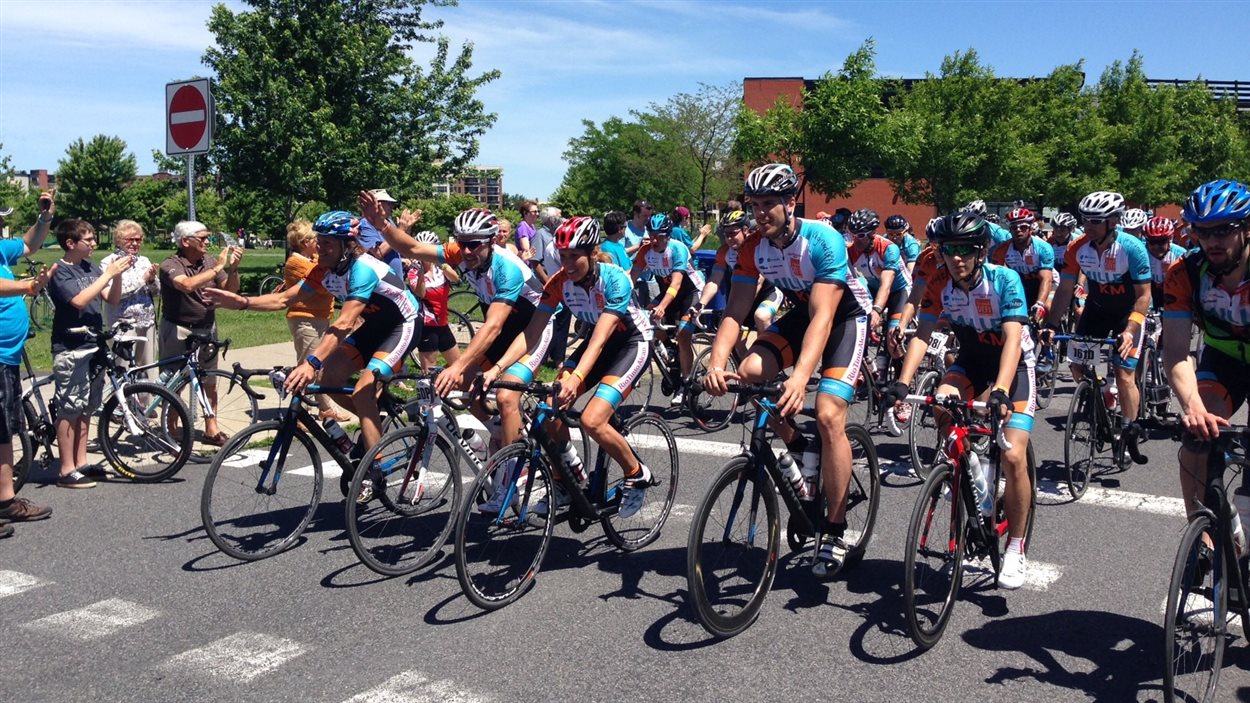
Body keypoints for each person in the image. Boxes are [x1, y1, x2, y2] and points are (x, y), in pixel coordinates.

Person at [704, 163, 873, 579]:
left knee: (830, 413)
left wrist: (800, 379)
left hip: (843, 317)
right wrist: (715, 359)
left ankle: (834, 529)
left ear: (791, 202)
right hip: (802, 312)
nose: (760, 213)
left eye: (769, 204)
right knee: (750, 369)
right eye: (754, 204)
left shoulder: (823, 239)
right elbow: (736, 308)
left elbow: (823, 317)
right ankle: (799, 443)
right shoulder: (750, 247)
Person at [358, 194, 552, 505]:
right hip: (504, 328)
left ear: (491, 241)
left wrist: (459, 364)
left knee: (505, 396)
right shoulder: (461, 253)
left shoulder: (506, 268)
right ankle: (502, 431)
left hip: (532, 330)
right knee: (459, 387)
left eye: (474, 244)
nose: (465, 250)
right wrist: (382, 223)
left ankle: (513, 477)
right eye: (462, 242)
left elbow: (492, 326)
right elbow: (412, 248)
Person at [889, 211, 1038, 590]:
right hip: (972, 359)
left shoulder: (1004, 280)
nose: (956, 258)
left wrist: (1001, 390)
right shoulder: (940, 283)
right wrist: (903, 383)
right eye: (948, 249)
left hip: (1014, 365)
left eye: (965, 249)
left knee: (1014, 454)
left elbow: (1012, 340)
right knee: (940, 402)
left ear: (981, 250)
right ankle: (970, 465)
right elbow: (922, 335)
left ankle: (1017, 547)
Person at [207, 210, 422, 464]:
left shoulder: (363, 269)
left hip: (403, 324)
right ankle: (374, 419)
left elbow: (344, 323)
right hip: (375, 327)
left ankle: (373, 469)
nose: (321, 249)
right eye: (319, 242)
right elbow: (284, 299)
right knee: (328, 377)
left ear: (347, 245)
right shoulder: (324, 270)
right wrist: (242, 302)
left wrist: (311, 361)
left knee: (363, 389)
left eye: (328, 244)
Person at [492, 216, 655, 517]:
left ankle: (636, 473)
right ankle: (567, 478)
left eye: (574, 256)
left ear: (592, 254)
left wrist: (576, 377)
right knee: (550, 408)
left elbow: (601, 337)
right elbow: (531, 333)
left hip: (631, 342)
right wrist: (497, 368)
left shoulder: (615, 279)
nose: (566, 264)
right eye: (561, 255)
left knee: (593, 420)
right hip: (599, 342)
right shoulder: (559, 284)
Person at [1161, 179, 1250, 525]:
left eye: (1223, 231)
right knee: (1197, 441)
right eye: (1202, 231)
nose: (1211, 241)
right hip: (1222, 359)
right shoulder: (1183, 273)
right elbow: (1178, 353)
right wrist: (1193, 408)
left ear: (1245, 228)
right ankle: (1207, 540)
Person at [1043, 191, 1151, 464]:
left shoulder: (1132, 248)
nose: (1087, 226)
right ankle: (1098, 395)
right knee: (1077, 366)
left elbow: (1143, 296)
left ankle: (1128, 430)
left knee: (1124, 374)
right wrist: (1052, 325)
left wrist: (1130, 331)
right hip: (1097, 310)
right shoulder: (1077, 247)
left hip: (1128, 314)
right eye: (1085, 220)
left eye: (1094, 221)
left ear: (1113, 221)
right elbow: (1066, 290)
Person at [48, 219, 132, 488]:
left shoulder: (89, 266)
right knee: (69, 407)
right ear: (70, 243)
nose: (94, 243)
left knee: (87, 407)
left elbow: (112, 298)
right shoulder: (60, 271)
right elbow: (80, 300)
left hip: (95, 343)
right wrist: (107, 275)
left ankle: (81, 462)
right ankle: (66, 469)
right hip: (71, 346)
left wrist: (116, 276)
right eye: (89, 239)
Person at [0, 190, 58, 535]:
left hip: (7, 357)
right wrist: (26, 285)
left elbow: (28, 245)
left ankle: (6, 499)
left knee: (4, 429)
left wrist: (45, 218)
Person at [159, 220, 243, 447]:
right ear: (185, 241)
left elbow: (230, 291)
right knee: (175, 380)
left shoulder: (208, 261)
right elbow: (186, 285)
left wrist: (233, 269)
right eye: (203, 238)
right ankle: (170, 425)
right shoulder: (171, 264)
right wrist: (217, 268)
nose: (208, 242)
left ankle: (211, 427)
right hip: (178, 329)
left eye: (208, 237)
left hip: (206, 329)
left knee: (209, 380)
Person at [631, 212, 704, 406]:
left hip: (690, 292)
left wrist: (662, 306)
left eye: (660, 236)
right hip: (667, 292)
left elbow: (677, 283)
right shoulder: (645, 252)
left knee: (682, 334)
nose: (654, 239)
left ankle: (686, 383)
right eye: (651, 234)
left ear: (668, 235)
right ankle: (673, 357)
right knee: (648, 327)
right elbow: (631, 278)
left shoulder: (677, 249)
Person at [283, 219, 350, 422]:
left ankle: (311, 408)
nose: (319, 244)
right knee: (309, 365)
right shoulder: (295, 262)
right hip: (305, 319)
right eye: (315, 240)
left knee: (317, 364)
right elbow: (323, 284)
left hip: (319, 317)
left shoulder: (310, 261)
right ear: (304, 242)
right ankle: (308, 411)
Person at [693, 209, 781, 346]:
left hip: (767, 293)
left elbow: (758, 282)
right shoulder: (724, 252)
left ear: (745, 230)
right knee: (734, 343)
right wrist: (701, 303)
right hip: (742, 298)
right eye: (725, 234)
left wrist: (739, 310)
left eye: (733, 234)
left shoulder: (757, 247)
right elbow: (714, 280)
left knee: (761, 317)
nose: (728, 238)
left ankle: (769, 359)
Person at [101, 219, 159, 373]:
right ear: (118, 241)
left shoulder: (144, 261)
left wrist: (152, 280)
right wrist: (143, 279)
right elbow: (114, 295)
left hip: (146, 323)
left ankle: (148, 397)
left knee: (148, 370)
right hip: (123, 324)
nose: (135, 243)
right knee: (124, 371)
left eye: (138, 239)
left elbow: (156, 292)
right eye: (130, 240)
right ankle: (124, 397)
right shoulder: (108, 263)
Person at [989, 208, 1055, 323]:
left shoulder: (1043, 247)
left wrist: (1039, 304)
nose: (1018, 230)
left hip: (1045, 282)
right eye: (1014, 228)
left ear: (1030, 228)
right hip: (1022, 284)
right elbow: (996, 280)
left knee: (1047, 307)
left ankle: (1049, 335)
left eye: (1023, 227)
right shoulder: (1001, 250)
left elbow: (1046, 279)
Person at [408, 230, 462, 370]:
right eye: (422, 248)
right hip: (427, 326)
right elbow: (420, 293)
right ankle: (430, 389)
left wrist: (443, 264)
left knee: (458, 365)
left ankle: (443, 382)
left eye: (429, 248)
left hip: (443, 323)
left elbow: (455, 279)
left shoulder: (440, 268)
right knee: (429, 372)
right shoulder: (413, 271)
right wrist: (420, 272)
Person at [356, 189, 407, 278]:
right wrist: (399, 231)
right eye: (388, 203)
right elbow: (378, 253)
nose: (392, 206)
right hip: (381, 284)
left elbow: (399, 245)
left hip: (396, 281)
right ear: (377, 204)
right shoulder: (365, 223)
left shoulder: (389, 221)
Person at [1144, 216, 1186, 309]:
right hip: (1150, 290)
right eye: (1152, 242)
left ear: (1169, 240)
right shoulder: (1141, 252)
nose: (1156, 246)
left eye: (1161, 242)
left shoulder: (1180, 253)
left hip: (1173, 290)